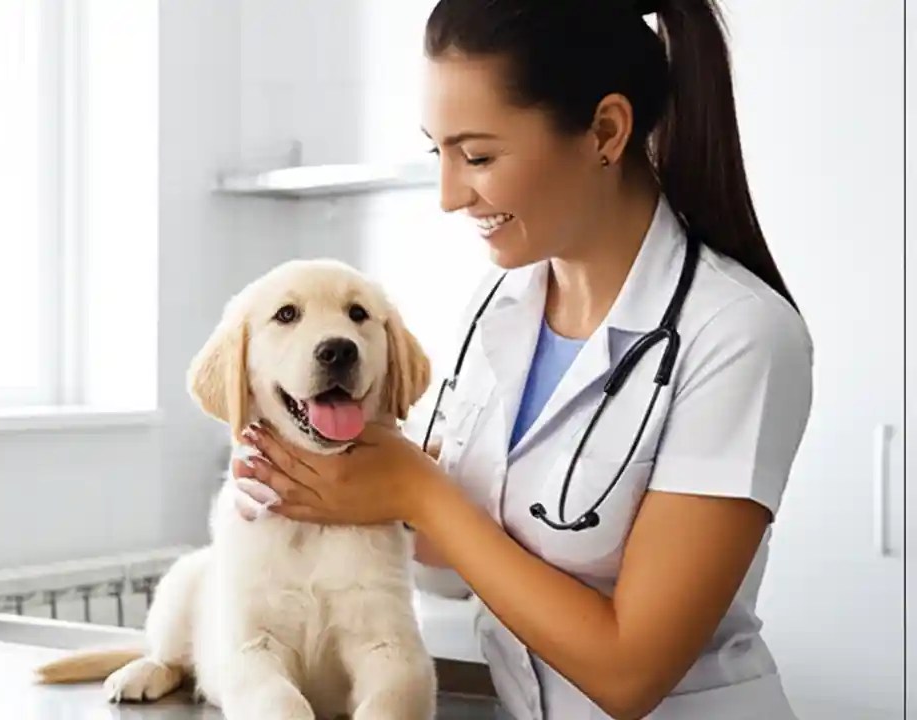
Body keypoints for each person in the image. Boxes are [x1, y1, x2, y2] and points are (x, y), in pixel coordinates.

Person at [230, 0, 814, 718]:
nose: (448, 196)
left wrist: (419, 493)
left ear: (605, 131)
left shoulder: (737, 333)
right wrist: (317, 487)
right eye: (436, 153)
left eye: (477, 157)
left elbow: (632, 671)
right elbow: (458, 558)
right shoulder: (499, 306)